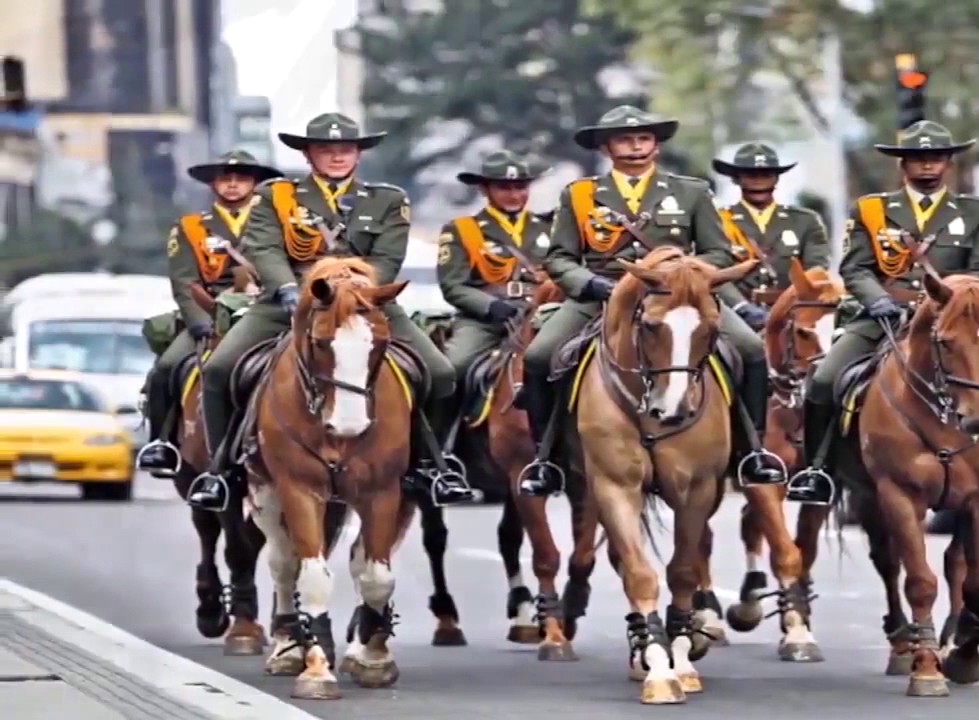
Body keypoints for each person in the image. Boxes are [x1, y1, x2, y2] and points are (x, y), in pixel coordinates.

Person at [186, 112, 470, 511]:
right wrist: (286, 288)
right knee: (218, 369)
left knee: (440, 373)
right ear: (308, 155)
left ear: (358, 154)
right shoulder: (275, 196)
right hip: (290, 301)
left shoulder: (387, 200)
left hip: (366, 301)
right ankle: (221, 471)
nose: (337, 157)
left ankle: (431, 466)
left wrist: (361, 292)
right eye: (326, 150)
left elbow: (388, 256)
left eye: (345, 149)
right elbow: (263, 247)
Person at [517, 105, 786, 497]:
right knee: (539, 355)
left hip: (677, 297)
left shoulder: (691, 191)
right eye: (625, 140)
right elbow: (558, 257)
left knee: (749, 348)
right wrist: (590, 284)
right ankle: (546, 460)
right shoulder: (580, 194)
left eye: (643, 138)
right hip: (602, 294)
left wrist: (682, 275)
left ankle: (753, 451)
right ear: (607, 147)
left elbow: (718, 254)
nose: (636, 147)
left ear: (656, 145)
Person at [789, 120, 979, 505]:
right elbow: (855, 267)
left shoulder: (976, 212)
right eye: (918, 159)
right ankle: (817, 470)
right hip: (885, 314)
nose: (927, 166)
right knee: (826, 379)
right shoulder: (872, 210)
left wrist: (955, 297)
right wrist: (877, 299)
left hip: (956, 318)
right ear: (904, 165)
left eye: (935, 158)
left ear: (948, 163)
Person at [136, 150, 282, 475]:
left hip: (266, 309)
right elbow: (184, 282)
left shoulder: (279, 224)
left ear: (255, 184)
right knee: (167, 368)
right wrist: (201, 324)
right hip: (211, 309)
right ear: (213, 184)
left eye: (241, 178)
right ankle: (161, 443)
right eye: (225, 178)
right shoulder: (190, 227)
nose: (232, 185)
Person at [437, 150, 552, 435]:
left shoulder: (550, 228)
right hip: (485, 320)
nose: (514, 195)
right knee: (452, 368)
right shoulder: (463, 230)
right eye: (504, 187)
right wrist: (491, 307)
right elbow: (453, 285)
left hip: (541, 315)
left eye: (520, 187)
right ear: (484, 189)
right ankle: (439, 450)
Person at [711, 143, 830, 312]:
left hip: (792, 310)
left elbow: (816, 270)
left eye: (766, 174)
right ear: (737, 178)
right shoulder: (718, 220)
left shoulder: (805, 221)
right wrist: (741, 307)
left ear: (777, 178)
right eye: (750, 175)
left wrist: (788, 305)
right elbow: (713, 272)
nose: (759, 182)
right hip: (736, 311)